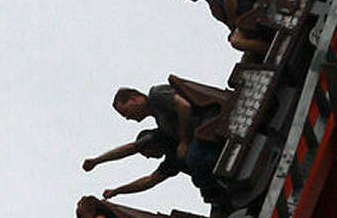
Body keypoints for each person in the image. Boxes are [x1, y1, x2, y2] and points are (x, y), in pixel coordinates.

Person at [82, 82, 228, 202]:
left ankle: (226, 172)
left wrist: (97, 160)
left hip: (210, 118)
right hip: (203, 141)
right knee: (204, 185)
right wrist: (117, 191)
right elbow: (149, 180)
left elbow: (184, 106)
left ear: (134, 99)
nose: (127, 118)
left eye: (126, 112)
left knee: (194, 159)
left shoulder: (156, 96)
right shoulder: (167, 137)